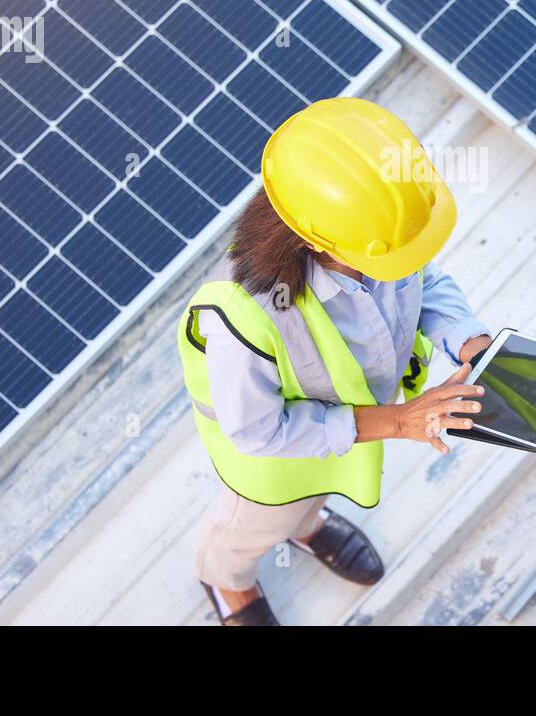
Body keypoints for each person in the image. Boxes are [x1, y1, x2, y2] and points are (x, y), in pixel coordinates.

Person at [178, 98, 492, 625]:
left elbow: (423, 279)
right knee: (247, 529)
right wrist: (397, 421)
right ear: (313, 239)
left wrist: (466, 340)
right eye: (390, 255)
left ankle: (305, 526)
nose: (401, 262)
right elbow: (257, 432)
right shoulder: (246, 316)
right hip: (271, 466)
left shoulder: (376, 232)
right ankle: (227, 581)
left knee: (309, 498)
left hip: (344, 433)